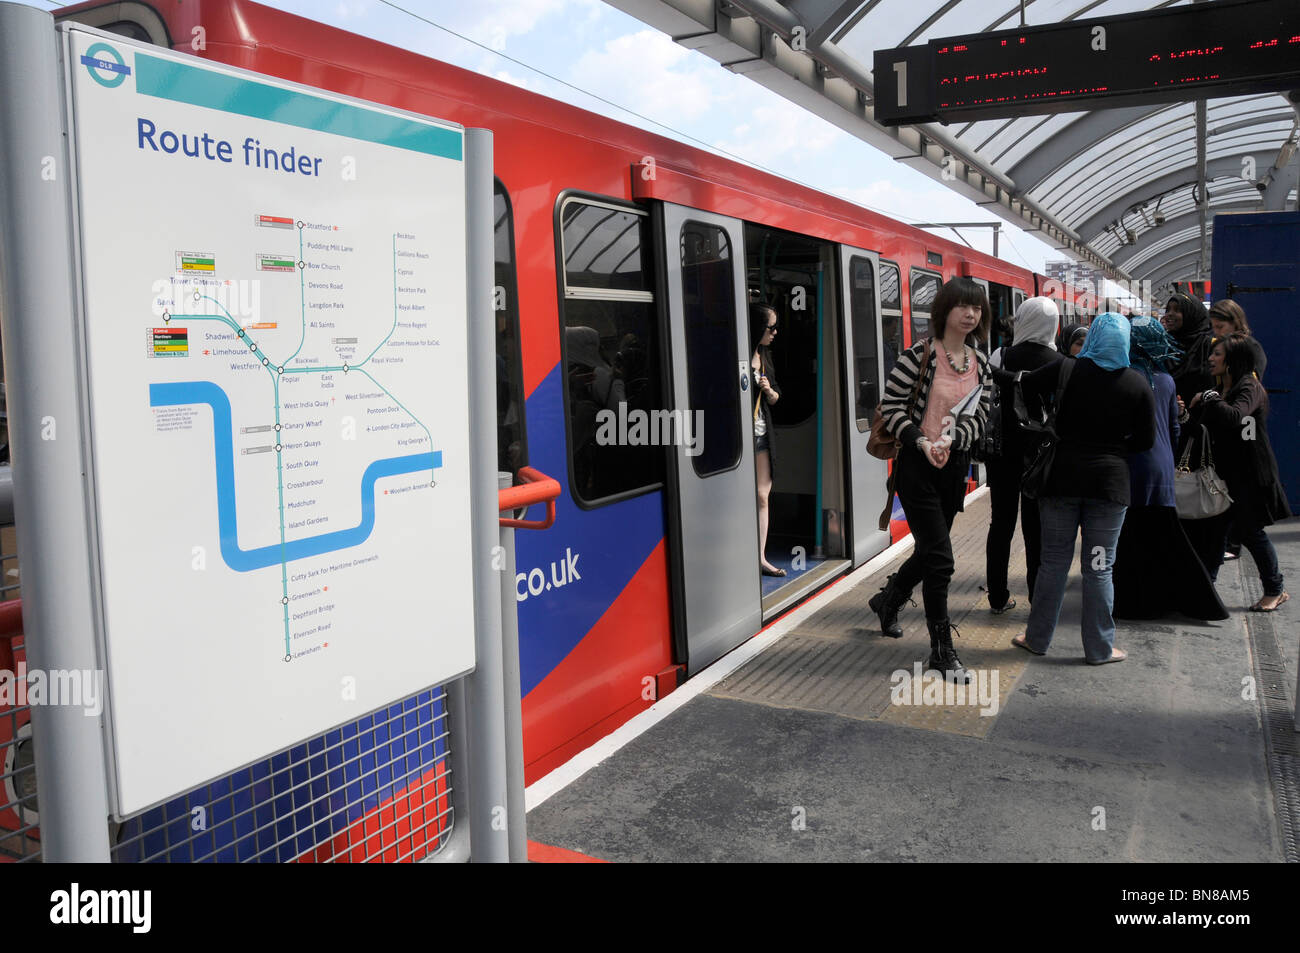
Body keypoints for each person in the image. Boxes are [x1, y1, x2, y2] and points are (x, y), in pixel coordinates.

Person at [1010, 314, 1155, 664]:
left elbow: (1025, 386)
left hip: (1061, 481)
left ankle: (1037, 638)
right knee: (1099, 568)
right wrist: (1114, 449)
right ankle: (1099, 649)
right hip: (1108, 487)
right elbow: (1145, 441)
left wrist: (1048, 422)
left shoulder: (1066, 370)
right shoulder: (1136, 384)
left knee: (1054, 563)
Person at [870, 278, 991, 682]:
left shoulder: (981, 363)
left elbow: (982, 418)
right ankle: (942, 651)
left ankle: (888, 600)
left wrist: (954, 439)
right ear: (945, 311)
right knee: (940, 560)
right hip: (918, 467)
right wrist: (921, 440)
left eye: (976, 308)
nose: (970, 314)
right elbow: (891, 407)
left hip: (953, 470)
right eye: (962, 306)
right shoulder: (918, 356)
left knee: (928, 552)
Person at [1112, 318, 1227, 621]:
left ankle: (1130, 603)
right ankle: (1165, 599)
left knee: (1130, 539)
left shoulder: (1123, 376)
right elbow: (1174, 428)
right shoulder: (1165, 380)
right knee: (1159, 539)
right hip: (1161, 468)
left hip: (1131, 467)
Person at [1187, 335, 1291, 610]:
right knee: (1216, 534)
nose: (1210, 358)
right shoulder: (1224, 386)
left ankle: (1275, 589)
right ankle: (1205, 589)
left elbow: (1236, 417)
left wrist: (1209, 398)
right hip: (1228, 475)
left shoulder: (1249, 386)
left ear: (1234, 359)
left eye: (1217, 354)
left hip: (1250, 476)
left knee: (1250, 532)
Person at [985, 296, 1064, 612]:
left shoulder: (1000, 355)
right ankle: (1035, 595)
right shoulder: (1058, 363)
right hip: (1040, 456)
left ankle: (997, 596)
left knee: (1000, 523)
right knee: (1036, 528)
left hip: (1002, 451)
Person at [750, 303, 784, 577]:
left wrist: (770, 393)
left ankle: (760, 557)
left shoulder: (765, 357)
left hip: (761, 435)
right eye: (770, 327)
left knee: (763, 496)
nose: (774, 333)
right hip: (739, 443)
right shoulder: (737, 357)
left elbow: (776, 396)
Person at [1163, 292, 1214, 409]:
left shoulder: (1209, 345)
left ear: (1191, 314)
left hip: (1201, 416)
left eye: (1177, 310)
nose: (1170, 314)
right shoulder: (1164, 344)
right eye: (1168, 310)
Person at [1208, 299, 1266, 382]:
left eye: (1220, 327)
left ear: (1235, 323)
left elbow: (1252, 383)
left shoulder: (1251, 347)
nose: (1216, 332)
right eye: (1213, 327)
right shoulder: (1215, 345)